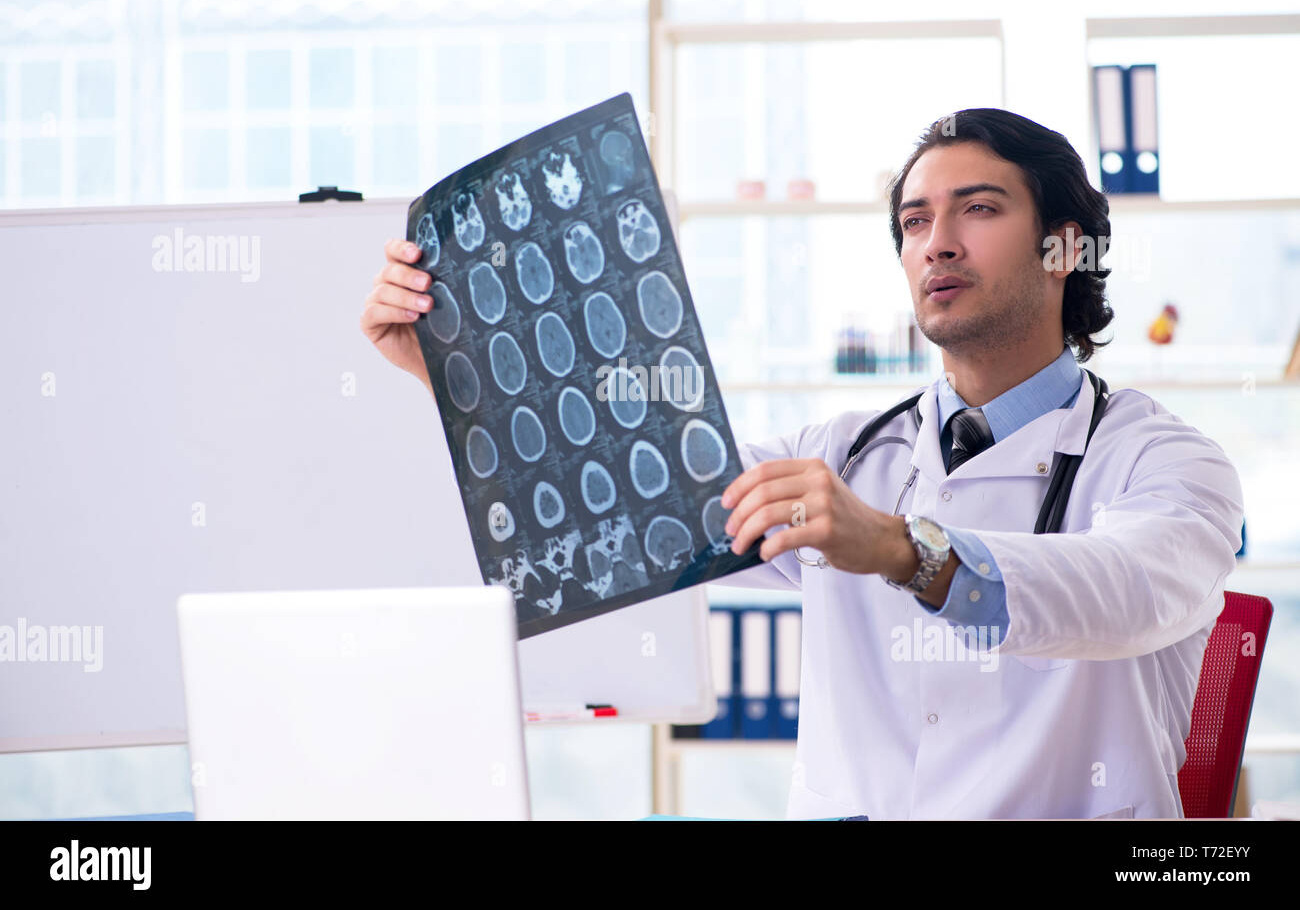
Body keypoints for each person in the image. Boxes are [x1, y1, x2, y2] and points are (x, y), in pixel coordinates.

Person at [361, 108, 1244, 820]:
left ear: (1065, 247)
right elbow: (639, 494)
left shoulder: (1164, 461)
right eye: (913, 220)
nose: (937, 241)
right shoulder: (842, 454)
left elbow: (1125, 585)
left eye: (978, 209)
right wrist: (449, 368)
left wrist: (905, 550)